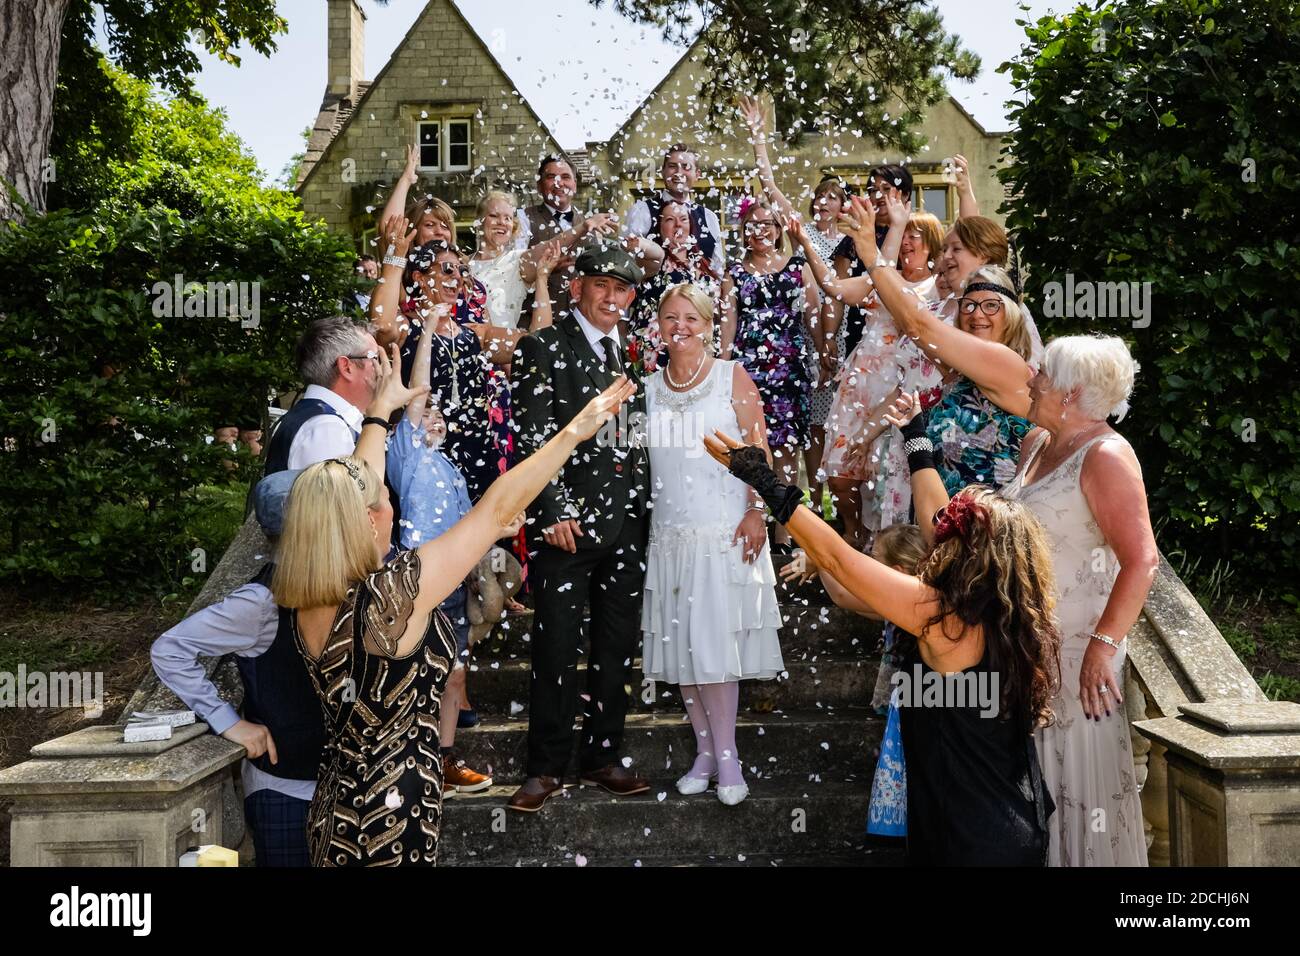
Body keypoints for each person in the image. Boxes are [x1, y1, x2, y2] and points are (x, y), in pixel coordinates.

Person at [272, 341, 636, 866]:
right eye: (385, 502)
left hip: (335, 803)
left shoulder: (308, 593)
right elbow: (497, 507)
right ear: (368, 520)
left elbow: (353, 486)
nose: (391, 506)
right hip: (390, 819)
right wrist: (575, 431)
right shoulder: (395, 592)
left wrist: (378, 412)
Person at [701, 431, 1059, 866]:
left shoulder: (944, 619)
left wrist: (767, 482)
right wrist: (916, 439)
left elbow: (838, 561)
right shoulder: (1014, 617)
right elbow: (935, 516)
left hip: (972, 838)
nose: (936, 530)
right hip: (1014, 819)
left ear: (965, 552)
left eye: (949, 531)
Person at [151, 316, 382, 867]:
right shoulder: (264, 602)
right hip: (288, 795)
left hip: (357, 796)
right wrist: (231, 723)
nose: (375, 515)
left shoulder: (372, 593)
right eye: (362, 505)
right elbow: (171, 649)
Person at [507, 244, 652, 812]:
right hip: (566, 528)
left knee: (616, 649)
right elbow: (531, 436)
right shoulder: (543, 346)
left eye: (621, 290)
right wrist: (551, 511)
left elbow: (635, 442)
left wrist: (643, 512)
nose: (611, 298)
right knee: (556, 649)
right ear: (578, 288)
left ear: (631, 297)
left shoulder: (633, 355)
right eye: (600, 286)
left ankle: (603, 757)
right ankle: (544, 768)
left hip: (627, 529)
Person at [639, 283, 783, 806]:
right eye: (670, 317)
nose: (680, 327)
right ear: (658, 325)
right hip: (671, 537)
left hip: (723, 529)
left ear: (706, 324)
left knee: (715, 647)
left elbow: (758, 447)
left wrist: (755, 509)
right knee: (684, 653)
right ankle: (703, 753)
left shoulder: (731, 376)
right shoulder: (648, 388)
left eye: (691, 318)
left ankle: (729, 760)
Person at [843, 198, 1035, 494]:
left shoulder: (1006, 363)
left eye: (990, 306)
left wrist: (871, 252)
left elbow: (917, 325)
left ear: (1011, 315)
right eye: (968, 306)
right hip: (946, 511)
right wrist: (868, 432)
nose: (977, 314)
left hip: (990, 517)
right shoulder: (960, 374)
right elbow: (917, 366)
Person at [386, 315, 492, 795]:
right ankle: (411, 759)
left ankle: (445, 761)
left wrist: (477, 571)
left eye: (438, 415)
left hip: (452, 583)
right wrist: (427, 333)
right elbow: (420, 389)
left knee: (454, 675)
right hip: (414, 579)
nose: (435, 416)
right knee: (415, 676)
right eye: (426, 414)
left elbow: (470, 526)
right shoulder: (406, 454)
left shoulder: (452, 467)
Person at [739, 94, 845, 513]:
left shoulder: (854, 241)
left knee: (830, 431)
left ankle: (822, 512)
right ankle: (801, 513)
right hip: (811, 339)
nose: (823, 203)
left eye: (833, 197)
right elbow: (769, 188)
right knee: (807, 426)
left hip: (850, 339)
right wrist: (758, 140)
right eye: (818, 197)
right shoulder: (803, 238)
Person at [370, 227, 522, 502]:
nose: (456, 278)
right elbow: (380, 324)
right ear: (420, 278)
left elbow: (536, 345)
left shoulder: (474, 333)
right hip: (424, 453)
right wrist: (395, 260)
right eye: (447, 270)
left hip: (476, 453)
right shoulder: (407, 328)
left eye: (460, 272)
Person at [719, 197, 820, 546]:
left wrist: (824, 355)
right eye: (752, 224)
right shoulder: (733, 273)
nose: (759, 230)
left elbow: (815, 320)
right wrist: (722, 368)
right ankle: (753, 519)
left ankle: (785, 532)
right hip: (749, 370)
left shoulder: (797, 267)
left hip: (790, 369)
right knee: (751, 445)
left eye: (767, 224)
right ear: (743, 230)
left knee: (787, 449)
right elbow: (727, 325)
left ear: (778, 231)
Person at [469, 188, 619, 333]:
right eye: (494, 216)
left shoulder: (516, 261)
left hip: (501, 352)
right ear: (479, 221)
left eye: (508, 218)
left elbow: (550, 246)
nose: (502, 222)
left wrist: (584, 226)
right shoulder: (462, 263)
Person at [627, 199, 720, 367]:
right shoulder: (655, 262)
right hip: (659, 354)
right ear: (660, 227)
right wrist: (640, 243)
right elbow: (655, 253)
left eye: (683, 219)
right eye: (669, 219)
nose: (678, 224)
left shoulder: (704, 265)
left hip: (699, 354)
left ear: (691, 226)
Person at [624, 144, 726, 279]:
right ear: (663, 172)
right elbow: (627, 263)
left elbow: (717, 269)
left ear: (697, 174)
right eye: (672, 166)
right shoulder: (642, 210)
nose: (679, 172)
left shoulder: (709, 216)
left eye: (686, 167)